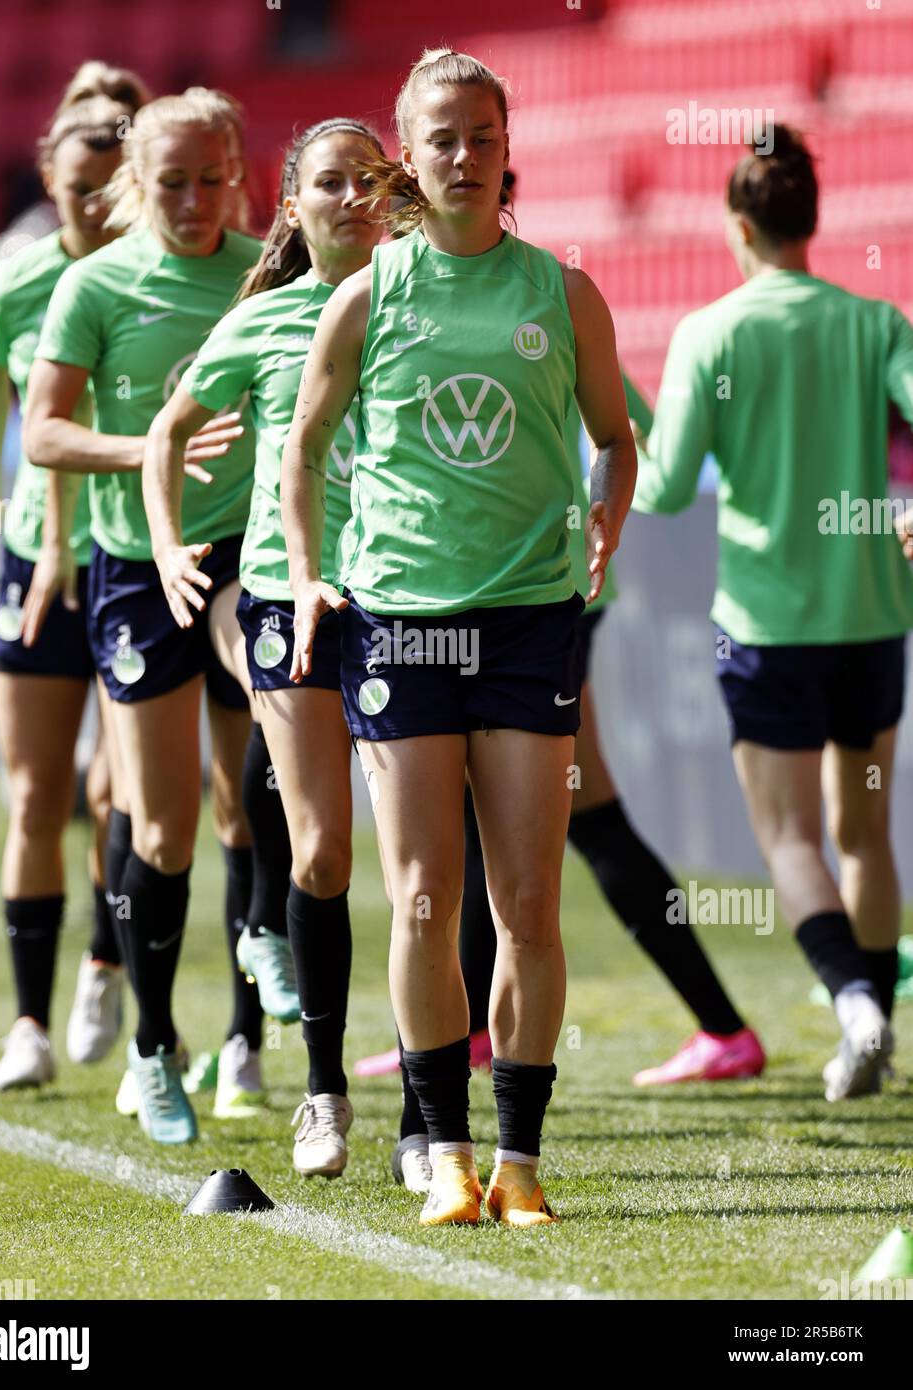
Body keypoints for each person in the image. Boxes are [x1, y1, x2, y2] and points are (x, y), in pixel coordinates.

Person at [282, 48, 636, 1225]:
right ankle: (443, 1153)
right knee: (425, 896)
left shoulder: (561, 291)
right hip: (398, 626)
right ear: (409, 157)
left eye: (483, 135)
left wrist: (606, 512)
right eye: (442, 138)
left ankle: (521, 1161)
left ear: (505, 146)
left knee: (527, 904)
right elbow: (305, 445)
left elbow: (616, 435)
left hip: (532, 621)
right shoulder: (369, 293)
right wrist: (305, 570)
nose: (464, 156)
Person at [385, 376, 766, 1193]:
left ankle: (721, 1027)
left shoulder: (553, 307)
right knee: (533, 820)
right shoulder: (499, 303)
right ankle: (485, 1039)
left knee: (575, 819)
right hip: (509, 595)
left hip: (548, 597)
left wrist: (592, 515)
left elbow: (637, 440)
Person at [632, 125, 913, 1102]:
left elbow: (665, 491)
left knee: (791, 839)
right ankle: (873, 1020)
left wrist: (623, 422)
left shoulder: (710, 333)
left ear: (735, 225)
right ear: (811, 220)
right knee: (866, 832)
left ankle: (853, 1004)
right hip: (874, 615)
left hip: (766, 625)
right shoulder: (876, 323)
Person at [146, 118, 385, 1176]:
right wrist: (164, 547)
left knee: (445, 868)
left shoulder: (431, 307)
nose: (350, 199)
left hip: (418, 601)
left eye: (368, 183)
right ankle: (322, 1090)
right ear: (291, 205)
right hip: (295, 602)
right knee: (322, 850)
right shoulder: (266, 319)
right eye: (328, 183)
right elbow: (167, 430)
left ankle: (439, 1116)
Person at [24, 88, 262, 1141]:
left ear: (240, 174)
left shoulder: (268, 273)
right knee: (159, 829)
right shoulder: (94, 283)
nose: (198, 198)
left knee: (256, 808)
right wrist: (152, 447)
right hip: (136, 566)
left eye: (215, 177)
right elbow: (41, 432)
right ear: (136, 181)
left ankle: (254, 1038)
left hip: (253, 561)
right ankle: (155, 1044)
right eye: (173, 181)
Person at [0, 62, 151, 1090]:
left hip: (127, 550)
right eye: (79, 186)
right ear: (48, 179)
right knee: (34, 792)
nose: (97, 204)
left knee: (122, 792)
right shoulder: (20, 279)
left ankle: (108, 966)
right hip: (35, 551)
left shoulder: (168, 276)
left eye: (115, 183)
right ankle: (26, 1021)